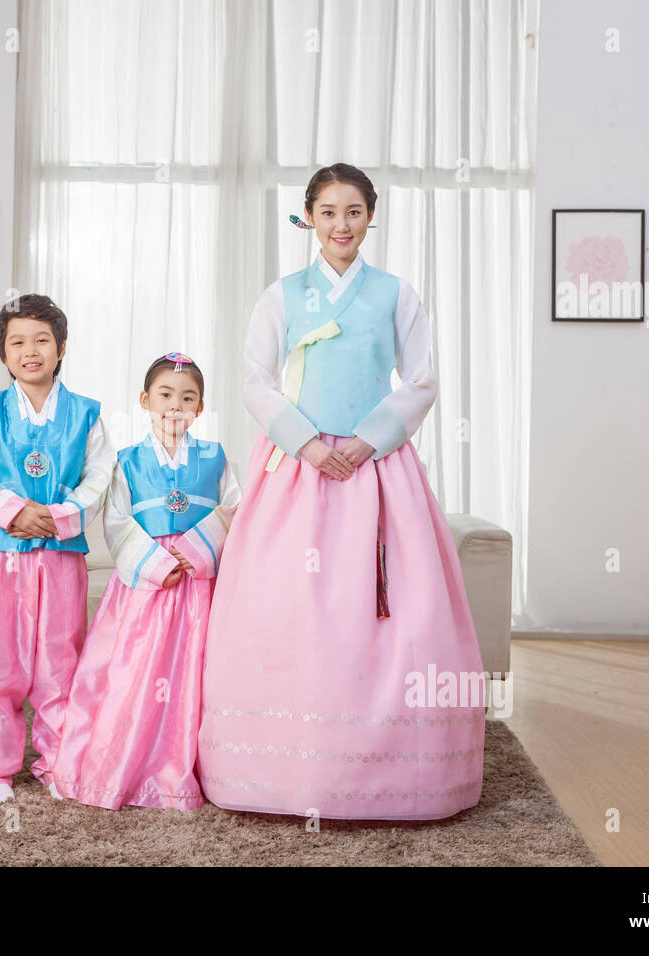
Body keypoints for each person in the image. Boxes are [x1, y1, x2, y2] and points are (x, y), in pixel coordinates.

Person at [197, 163, 486, 820]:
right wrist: (305, 441)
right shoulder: (282, 295)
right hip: (298, 468)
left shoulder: (394, 294)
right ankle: (275, 768)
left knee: (390, 611)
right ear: (308, 218)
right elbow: (254, 379)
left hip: (375, 470)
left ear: (371, 217)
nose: (341, 225)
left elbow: (422, 380)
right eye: (328, 212)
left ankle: (395, 774)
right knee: (287, 607)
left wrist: (369, 439)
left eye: (353, 212)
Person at [51, 353, 241, 810]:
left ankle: (190, 765)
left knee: (194, 672)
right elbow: (116, 521)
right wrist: (156, 563)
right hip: (146, 582)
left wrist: (194, 552)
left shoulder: (215, 457)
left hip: (197, 583)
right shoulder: (126, 461)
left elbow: (236, 509)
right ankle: (123, 765)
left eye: (187, 398)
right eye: (166, 395)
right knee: (132, 671)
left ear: (200, 407)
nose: (175, 406)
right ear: (145, 400)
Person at [0, 294, 115, 804]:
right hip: (1, 554)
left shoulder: (87, 414)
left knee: (59, 659)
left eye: (42, 340)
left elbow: (99, 478)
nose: (30, 351)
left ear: (61, 348)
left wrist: (59, 517)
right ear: (3, 354)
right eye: (17, 342)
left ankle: (58, 758)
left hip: (60, 556)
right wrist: (12, 511)